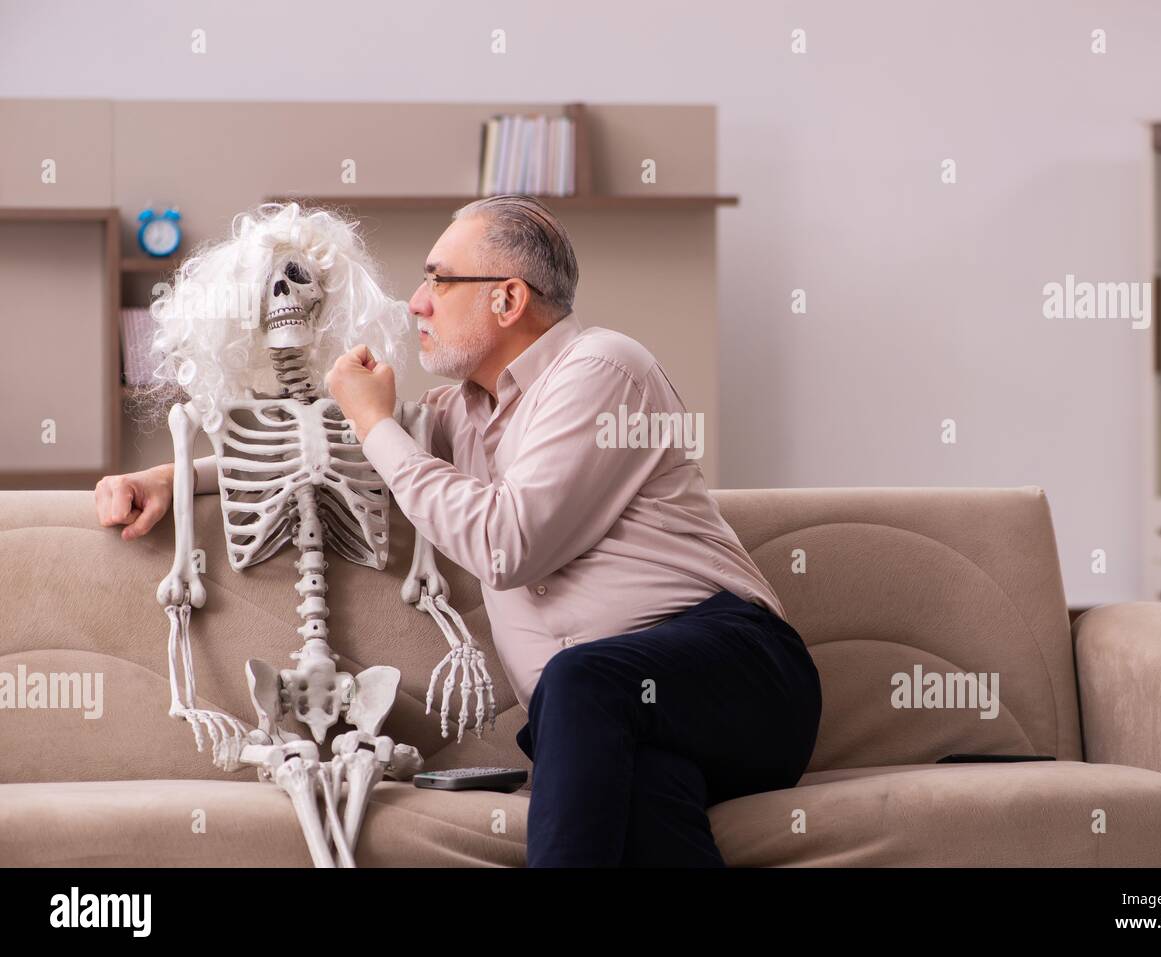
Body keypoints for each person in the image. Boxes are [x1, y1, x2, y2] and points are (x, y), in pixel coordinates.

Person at [95, 194, 822, 867]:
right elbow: (338, 454)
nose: (416, 303)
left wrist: (377, 420)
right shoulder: (459, 414)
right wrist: (167, 478)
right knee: (647, 808)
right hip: (624, 723)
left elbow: (506, 544)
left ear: (507, 298)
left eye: (438, 280)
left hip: (739, 678)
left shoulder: (601, 370)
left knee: (581, 685)